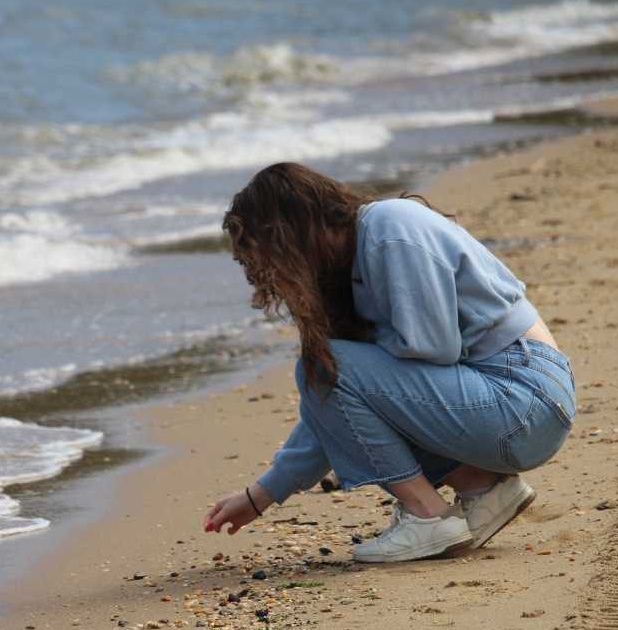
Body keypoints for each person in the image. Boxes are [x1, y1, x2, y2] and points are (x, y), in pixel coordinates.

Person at [202, 162, 576, 563]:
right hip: (508, 408)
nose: (269, 275)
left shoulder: (389, 229)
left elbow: (434, 348)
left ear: (294, 232)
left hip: (526, 400)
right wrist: (261, 496)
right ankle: (482, 489)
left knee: (330, 368)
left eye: (269, 257)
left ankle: (427, 516)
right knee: (330, 373)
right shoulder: (353, 270)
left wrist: (351, 356)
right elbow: (336, 410)